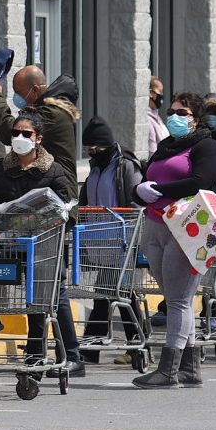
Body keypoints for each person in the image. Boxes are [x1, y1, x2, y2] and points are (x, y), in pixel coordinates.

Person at [130, 94, 216, 389]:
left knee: (177, 300)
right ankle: (190, 368)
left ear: (195, 118)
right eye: (170, 111)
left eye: (181, 112)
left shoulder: (207, 146)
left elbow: (200, 181)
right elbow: (147, 181)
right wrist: (140, 191)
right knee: (175, 297)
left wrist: (158, 189)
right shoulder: (166, 146)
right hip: (156, 225)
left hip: (188, 227)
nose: (174, 116)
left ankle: (168, 369)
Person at [0, 111, 81, 376]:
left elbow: (64, 208)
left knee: (50, 298)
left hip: (45, 245)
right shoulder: (1, 168)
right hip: (9, 245)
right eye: (15, 133)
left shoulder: (53, 170)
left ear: (38, 139)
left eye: (26, 134)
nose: (20, 138)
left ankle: (71, 356)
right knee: (27, 301)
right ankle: (35, 356)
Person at [78, 117, 139, 346]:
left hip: (122, 241)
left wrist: (129, 229)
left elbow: (136, 202)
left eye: (94, 148)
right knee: (111, 292)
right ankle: (134, 343)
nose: (91, 152)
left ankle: (95, 346)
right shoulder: (95, 168)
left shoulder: (125, 166)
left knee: (113, 292)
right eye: (87, 149)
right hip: (100, 242)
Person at [0, 64, 80, 165]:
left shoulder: (51, 113)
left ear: (35, 90)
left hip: (57, 179)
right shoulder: (44, 109)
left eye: (18, 92)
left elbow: (10, 133)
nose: (16, 97)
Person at [145, 76, 168, 150]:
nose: (161, 95)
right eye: (160, 91)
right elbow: (152, 149)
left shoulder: (156, 117)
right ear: (150, 93)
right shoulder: (147, 119)